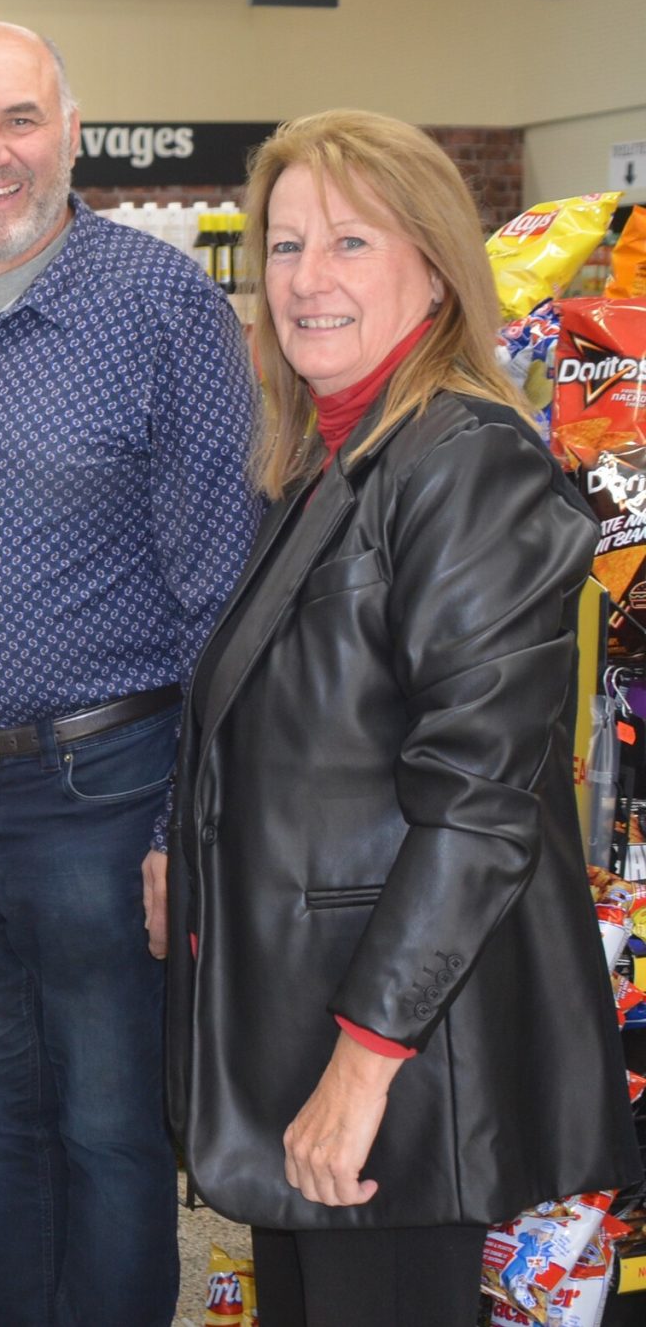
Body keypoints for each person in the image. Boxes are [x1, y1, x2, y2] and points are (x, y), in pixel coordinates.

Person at [166, 108, 641, 1327]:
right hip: (320, 1017)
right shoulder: (337, 457)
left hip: (401, 1062)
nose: (305, 280)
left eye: (348, 243)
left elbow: (476, 810)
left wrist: (360, 1065)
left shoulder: (465, 465)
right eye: (282, 246)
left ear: (431, 268)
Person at [0, 22, 261, 1324]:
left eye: (17, 120)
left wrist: (177, 827)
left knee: (107, 1130)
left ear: (71, 132)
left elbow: (222, 598)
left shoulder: (164, 311)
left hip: (104, 795)